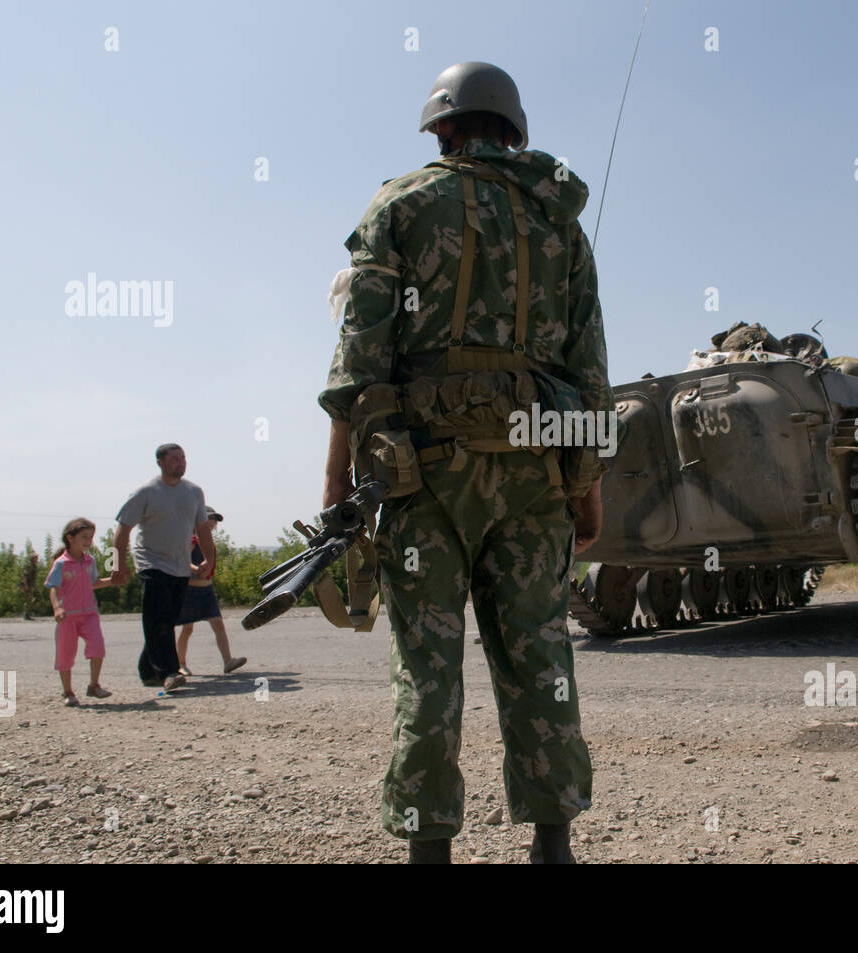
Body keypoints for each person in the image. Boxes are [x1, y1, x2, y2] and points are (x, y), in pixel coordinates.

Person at [318, 61, 614, 863]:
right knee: (541, 660)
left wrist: (338, 493)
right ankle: (554, 847)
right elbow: (591, 382)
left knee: (428, 674)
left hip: (424, 478)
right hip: (535, 481)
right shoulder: (563, 226)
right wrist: (585, 492)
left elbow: (356, 371)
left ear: (442, 129)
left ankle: (428, 853)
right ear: (514, 131)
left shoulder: (401, 205)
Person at [111, 443, 216, 692]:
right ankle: (169, 672)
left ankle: (148, 671)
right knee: (157, 616)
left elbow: (202, 528)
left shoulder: (194, 492)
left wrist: (209, 560)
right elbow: (123, 529)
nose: (180, 463)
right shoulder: (146, 492)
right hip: (151, 562)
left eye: (183, 458)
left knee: (166, 619)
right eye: (174, 459)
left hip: (180, 565)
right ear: (160, 462)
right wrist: (116, 565)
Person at [45, 518, 119, 706]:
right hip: (68, 616)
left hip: (89, 614)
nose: (88, 541)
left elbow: (93, 583)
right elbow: (53, 587)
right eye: (84, 537)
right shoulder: (61, 564)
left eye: (91, 537)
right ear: (70, 538)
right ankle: (68, 692)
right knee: (65, 654)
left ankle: (94, 685)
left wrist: (112, 581)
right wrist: (57, 607)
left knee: (98, 647)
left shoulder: (89, 561)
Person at [175, 506, 246, 676]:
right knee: (187, 629)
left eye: (215, 519)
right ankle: (181, 664)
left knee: (218, 624)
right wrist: (195, 568)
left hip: (207, 590)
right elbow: (182, 559)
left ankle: (228, 661)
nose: (213, 522)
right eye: (210, 518)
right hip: (190, 590)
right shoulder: (192, 539)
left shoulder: (208, 541)